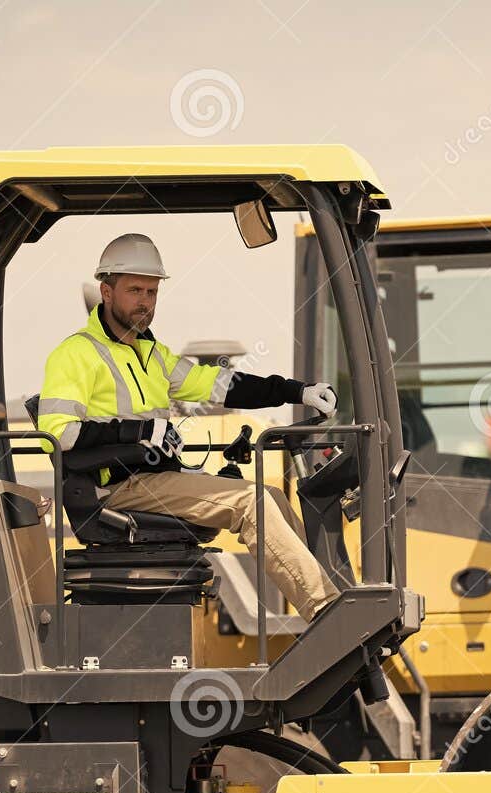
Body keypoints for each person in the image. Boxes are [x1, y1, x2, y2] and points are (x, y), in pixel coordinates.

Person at [36, 234, 341, 620]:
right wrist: (135, 432)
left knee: (271, 496)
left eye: (152, 291)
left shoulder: (151, 353)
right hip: (115, 487)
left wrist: (296, 391)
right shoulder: (75, 354)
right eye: (134, 290)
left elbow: (219, 384)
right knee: (251, 503)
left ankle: (330, 598)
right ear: (107, 292)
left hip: (154, 480)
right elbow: (56, 434)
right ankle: (327, 612)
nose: (145, 301)